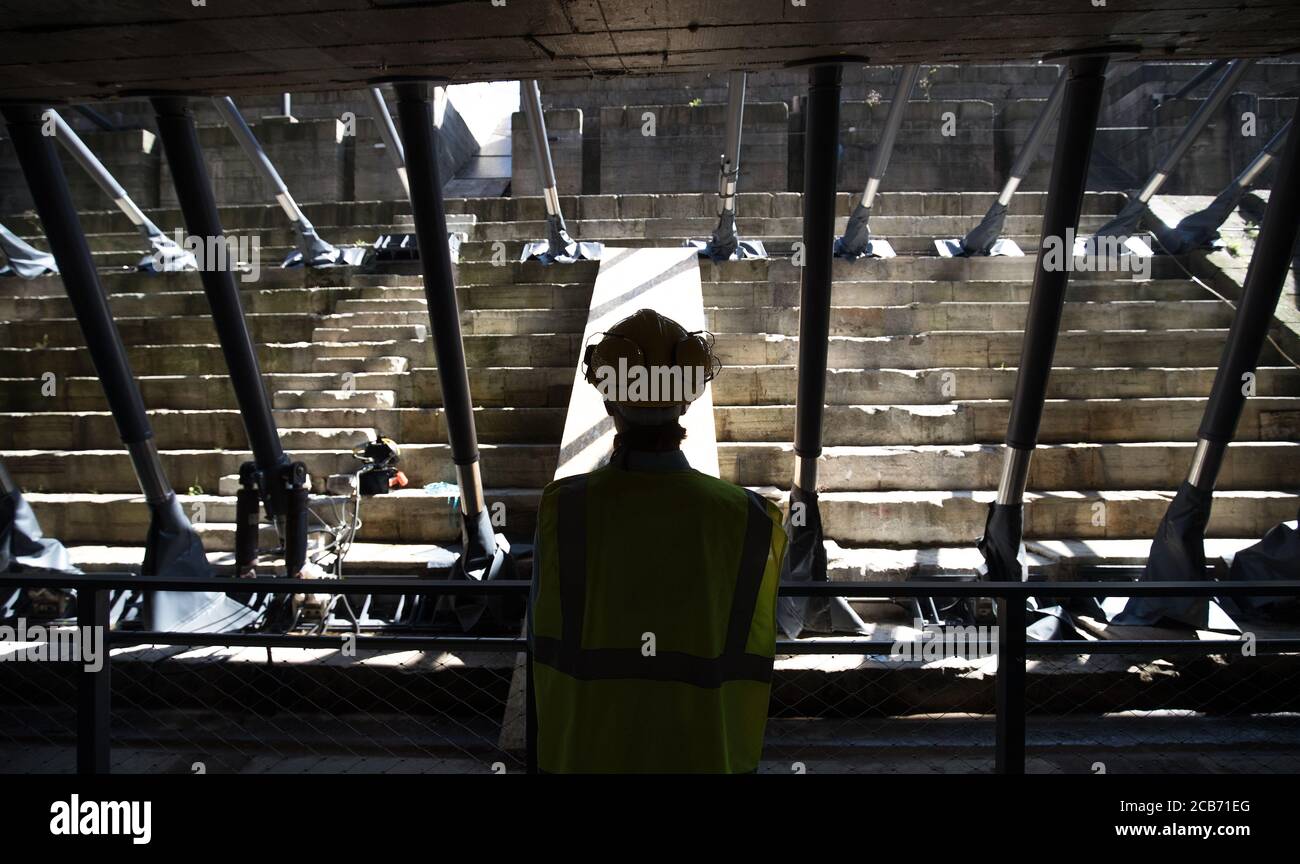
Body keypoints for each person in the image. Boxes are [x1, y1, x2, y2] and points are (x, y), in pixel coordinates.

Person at [528, 308, 787, 773]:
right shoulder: (749, 519)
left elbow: (542, 632)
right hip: (704, 752)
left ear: (609, 402)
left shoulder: (563, 510)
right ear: (686, 402)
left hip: (587, 752)